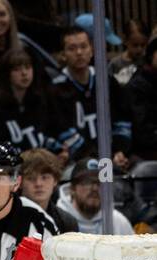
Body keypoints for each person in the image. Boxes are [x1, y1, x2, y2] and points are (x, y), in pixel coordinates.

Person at [50, 25, 132, 169]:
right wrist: (102, 160)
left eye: (84, 46)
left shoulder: (107, 81)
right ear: (63, 54)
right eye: (72, 48)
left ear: (92, 50)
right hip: (78, 163)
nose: (79, 52)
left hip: (114, 157)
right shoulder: (56, 89)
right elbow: (65, 134)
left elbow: (123, 120)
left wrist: (119, 151)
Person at [0, 48, 63, 155]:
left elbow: (49, 134)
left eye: (28, 68)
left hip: (42, 162)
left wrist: (61, 152)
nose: (24, 73)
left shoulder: (40, 101)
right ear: (6, 74)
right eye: (17, 69)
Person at [56, 158, 134, 235]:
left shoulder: (118, 222)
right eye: (87, 182)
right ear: (72, 188)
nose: (95, 188)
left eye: (100, 183)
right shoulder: (56, 220)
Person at [18, 147, 76, 232]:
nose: (38, 184)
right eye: (31, 178)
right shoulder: (5, 216)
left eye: (45, 177)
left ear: (55, 180)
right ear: (19, 182)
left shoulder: (67, 222)